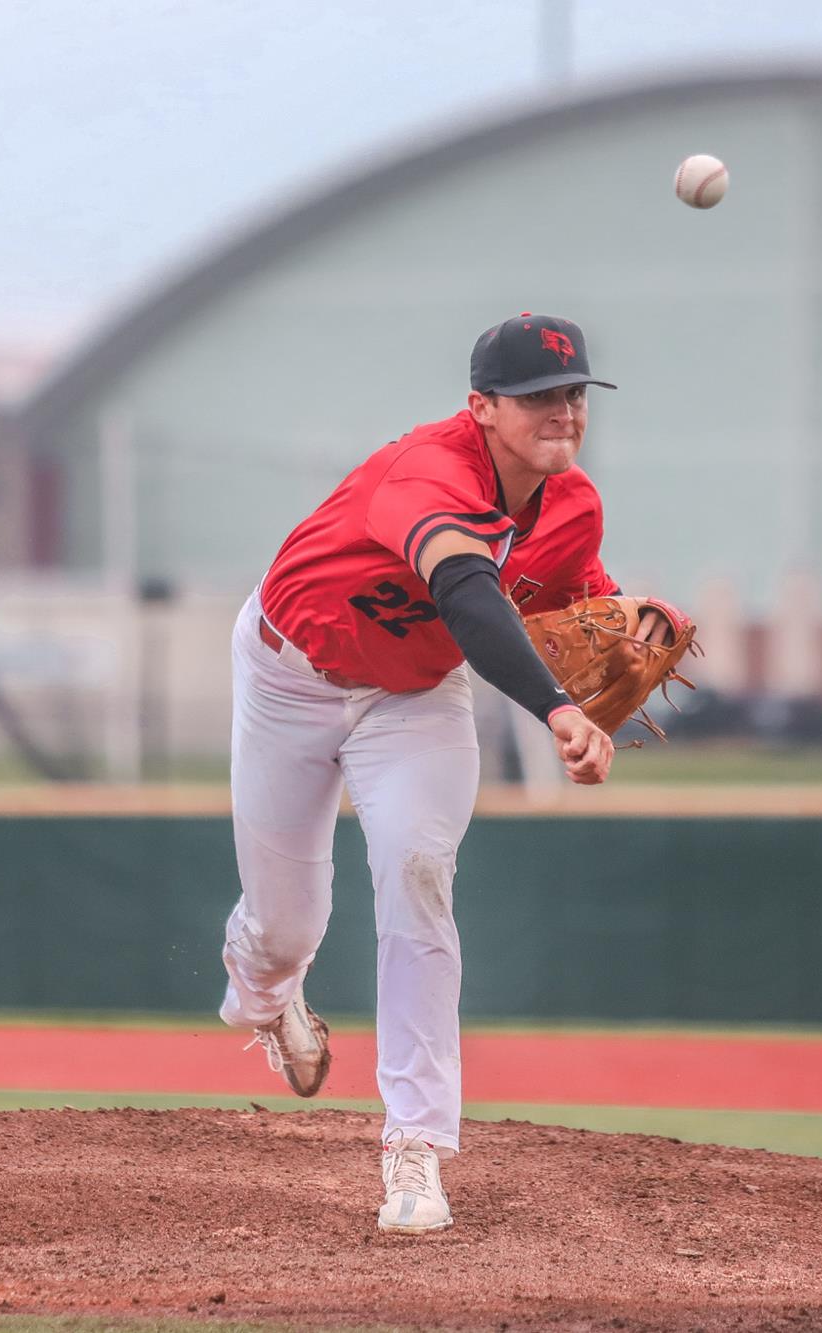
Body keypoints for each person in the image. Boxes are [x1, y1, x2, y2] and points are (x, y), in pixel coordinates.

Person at [219, 312, 660, 1234]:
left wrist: (620, 615)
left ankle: (414, 1146)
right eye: (539, 396)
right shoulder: (427, 471)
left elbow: (570, 600)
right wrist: (557, 709)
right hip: (289, 676)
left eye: (574, 393)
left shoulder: (574, 504)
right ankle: (266, 997)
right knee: (284, 925)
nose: (563, 411)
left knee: (419, 877)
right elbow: (466, 593)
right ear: (482, 406)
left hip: (412, 701)